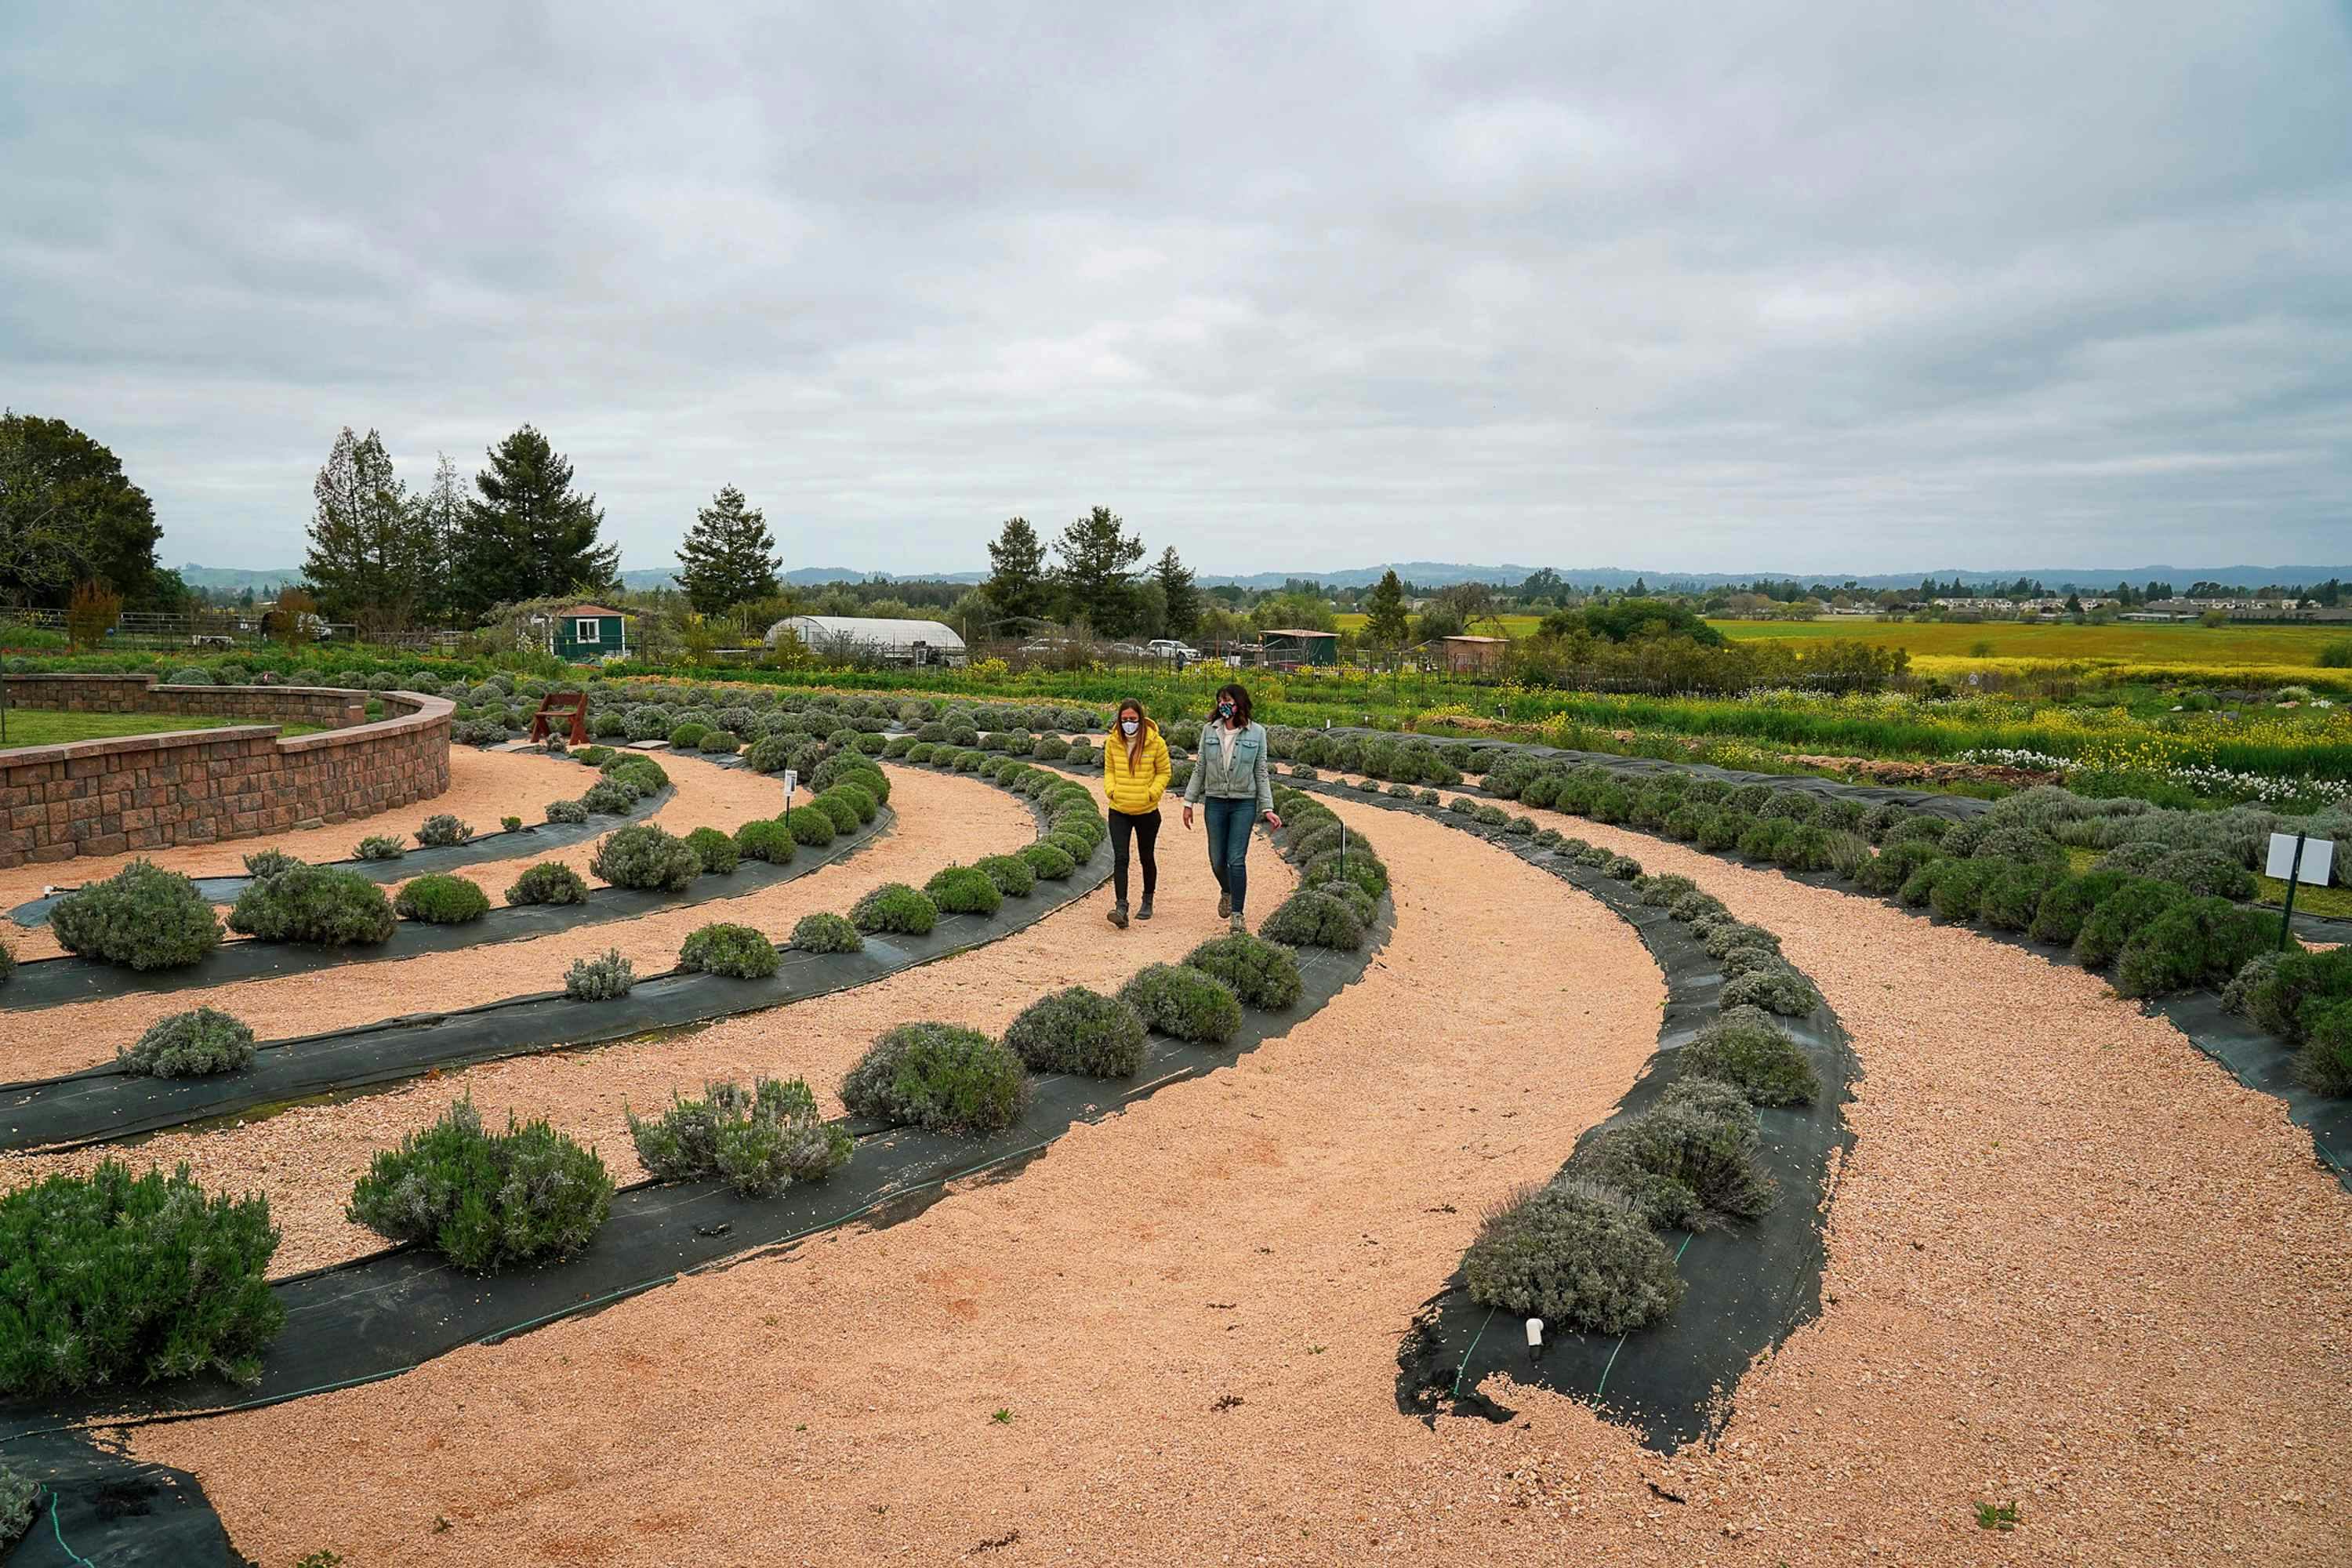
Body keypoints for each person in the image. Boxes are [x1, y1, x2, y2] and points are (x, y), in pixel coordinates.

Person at [1181, 681, 1281, 934]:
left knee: (1236, 860)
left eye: (1228, 701)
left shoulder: (1257, 733)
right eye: (1220, 701)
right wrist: (1189, 801)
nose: (1223, 706)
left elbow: (1261, 772)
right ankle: (1226, 890)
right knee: (1217, 861)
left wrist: (1267, 807)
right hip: (1214, 801)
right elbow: (1200, 767)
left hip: (1243, 803)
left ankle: (1238, 913)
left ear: (1240, 704)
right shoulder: (1209, 731)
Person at [1102, 697, 1170, 929]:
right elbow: (1109, 770)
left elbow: (1164, 772)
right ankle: (1121, 907)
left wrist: (1152, 793)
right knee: (1121, 858)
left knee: (1146, 856)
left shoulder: (1156, 743)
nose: (1128, 724)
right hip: (1119, 809)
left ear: (1141, 719)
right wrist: (1111, 790)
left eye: (1132, 719)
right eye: (1124, 720)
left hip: (1147, 810)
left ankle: (1147, 900)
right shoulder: (1113, 742)